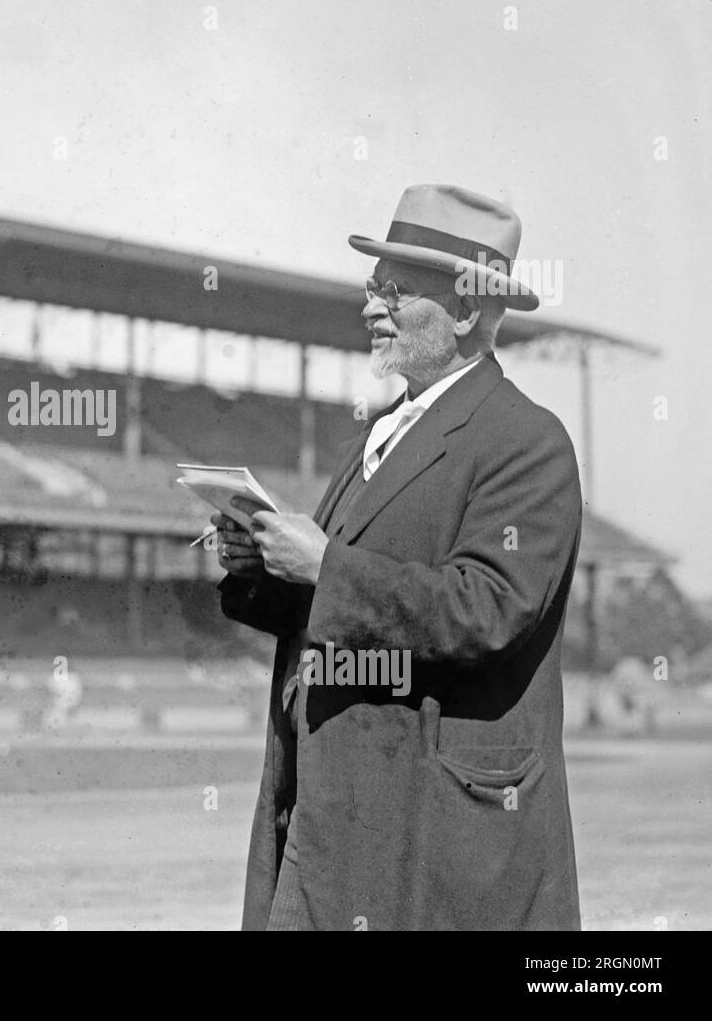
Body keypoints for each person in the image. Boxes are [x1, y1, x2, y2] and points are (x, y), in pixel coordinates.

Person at [215, 185, 582, 930]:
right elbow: (335, 606)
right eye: (373, 288)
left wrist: (325, 566)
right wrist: (261, 566)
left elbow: (487, 609)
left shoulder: (526, 441)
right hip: (331, 804)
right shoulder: (382, 433)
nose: (370, 308)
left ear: (467, 311)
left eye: (395, 291)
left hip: (434, 823)